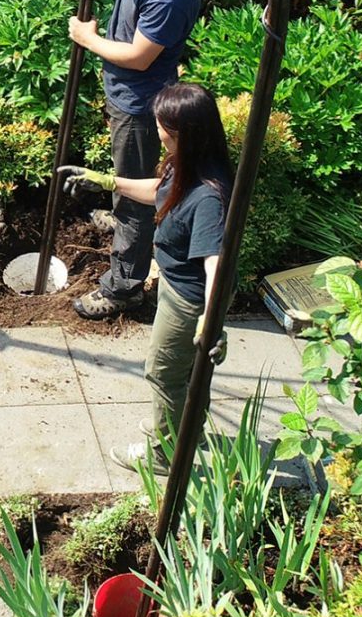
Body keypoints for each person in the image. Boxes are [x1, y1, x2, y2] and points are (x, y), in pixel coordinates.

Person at [59, 82, 232, 472]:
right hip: (177, 285)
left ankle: (163, 455)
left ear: (179, 132)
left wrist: (211, 319)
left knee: (164, 371)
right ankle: (188, 430)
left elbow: (215, 261)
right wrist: (107, 181)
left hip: (190, 300)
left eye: (160, 125)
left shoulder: (208, 197)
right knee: (186, 371)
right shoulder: (194, 163)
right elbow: (161, 191)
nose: (156, 130)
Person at [67, 0, 203, 320]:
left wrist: (88, 39)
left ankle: (124, 285)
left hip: (142, 101)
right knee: (130, 180)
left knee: (135, 194)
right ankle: (127, 229)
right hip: (125, 93)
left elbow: (141, 56)